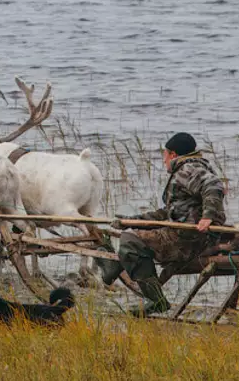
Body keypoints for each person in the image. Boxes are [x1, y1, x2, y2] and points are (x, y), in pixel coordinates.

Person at [95, 132, 226, 316]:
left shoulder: (187, 170)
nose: (164, 160)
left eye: (164, 155)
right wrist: (133, 221)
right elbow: (168, 213)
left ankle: (156, 300)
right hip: (196, 238)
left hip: (188, 241)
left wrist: (208, 216)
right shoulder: (191, 168)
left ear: (172, 154)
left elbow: (214, 186)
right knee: (132, 232)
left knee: (130, 241)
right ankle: (112, 268)